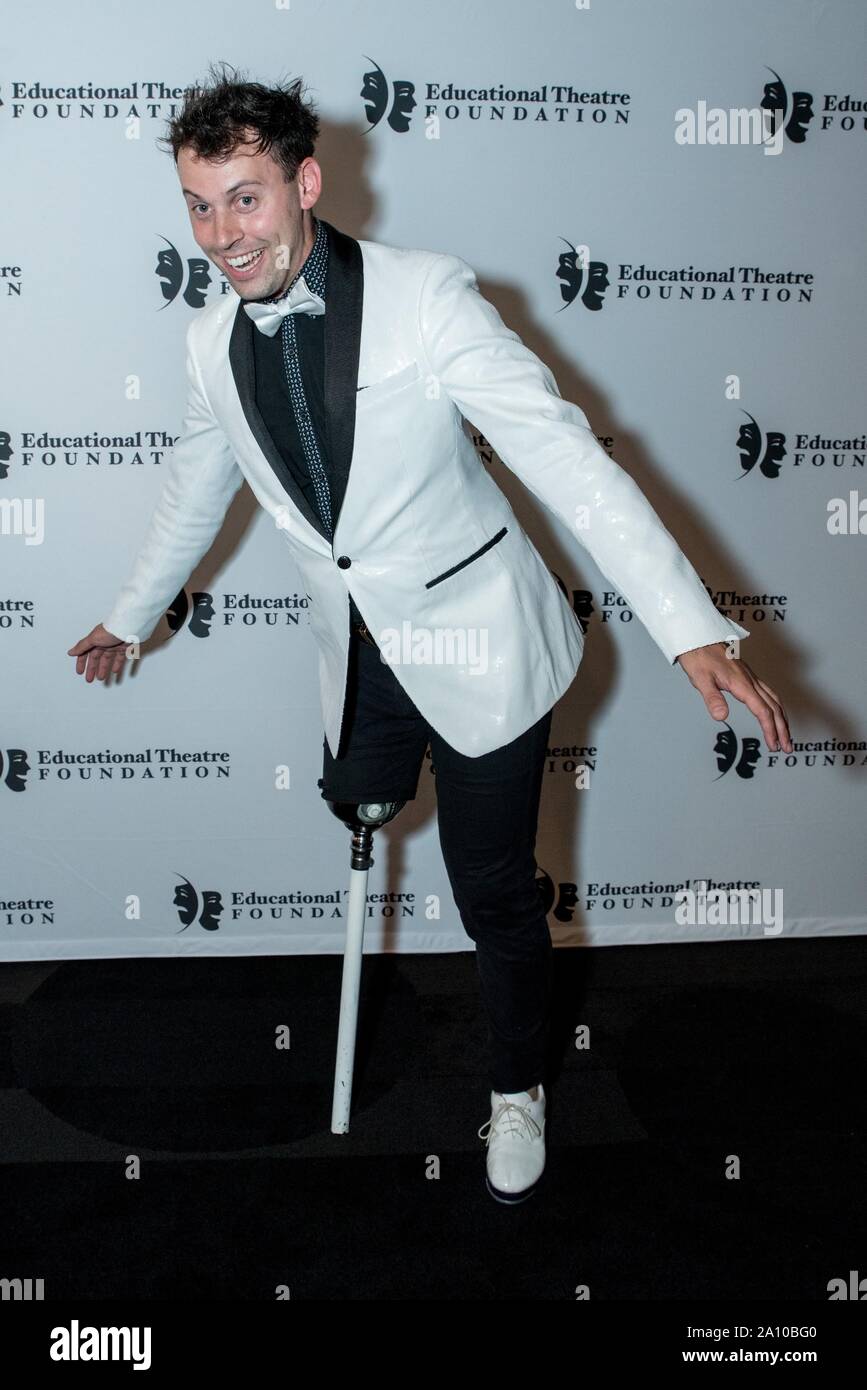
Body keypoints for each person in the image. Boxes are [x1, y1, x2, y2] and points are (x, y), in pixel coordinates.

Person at [68, 64, 793, 1205]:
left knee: (493, 886)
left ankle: (518, 1087)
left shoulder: (428, 299)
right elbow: (191, 493)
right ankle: (373, 798)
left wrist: (690, 626)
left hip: (482, 638)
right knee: (356, 794)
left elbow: (567, 461)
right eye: (200, 206)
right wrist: (127, 612)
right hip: (357, 648)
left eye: (244, 198)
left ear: (305, 183)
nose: (221, 234)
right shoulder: (211, 345)